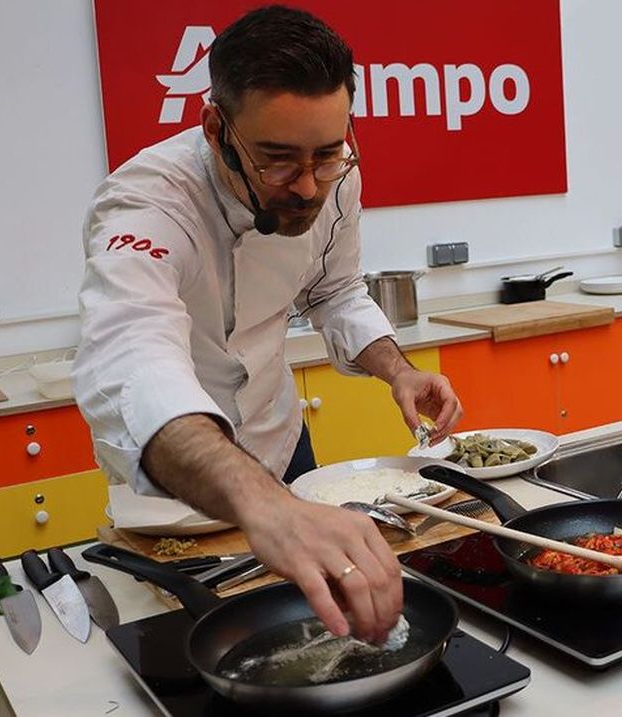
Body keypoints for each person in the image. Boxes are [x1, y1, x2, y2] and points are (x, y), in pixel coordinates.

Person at [73, 5, 462, 643]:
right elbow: (133, 358)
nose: (308, 187)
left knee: (306, 626)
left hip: (280, 443)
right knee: (199, 634)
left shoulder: (336, 176)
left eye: (327, 156)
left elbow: (335, 290)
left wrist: (398, 369)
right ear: (215, 126)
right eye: (276, 160)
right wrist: (267, 507)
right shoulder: (145, 200)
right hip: (175, 470)